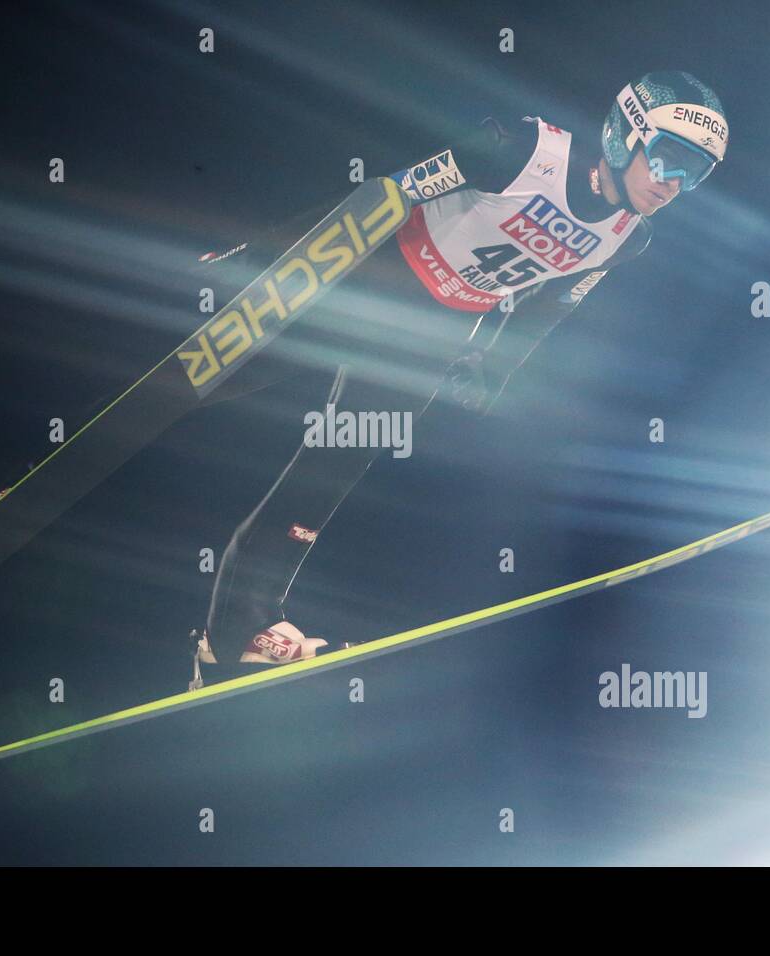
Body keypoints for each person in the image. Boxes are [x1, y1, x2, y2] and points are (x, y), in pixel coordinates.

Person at [191, 70, 729, 672]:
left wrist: (487, 369)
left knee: (327, 471)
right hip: (373, 275)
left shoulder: (628, 237)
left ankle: (240, 627)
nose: (674, 184)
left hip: (428, 333)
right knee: (223, 370)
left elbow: (547, 306)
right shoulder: (528, 150)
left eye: (696, 174)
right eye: (669, 160)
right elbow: (382, 196)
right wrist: (261, 260)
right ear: (625, 136)